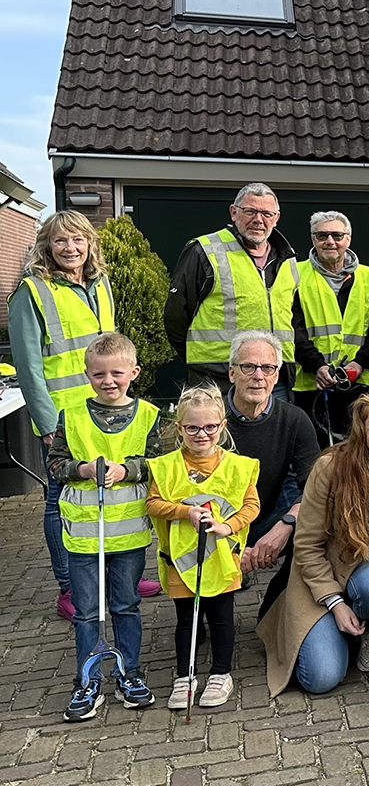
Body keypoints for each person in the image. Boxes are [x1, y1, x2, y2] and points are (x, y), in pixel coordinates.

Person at [8, 209, 161, 619]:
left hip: (107, 412)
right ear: (47, 246)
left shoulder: (101, 284)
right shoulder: (32, 291)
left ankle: (121, 580)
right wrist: (45, 423)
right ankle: (69, 588)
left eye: (77, 239)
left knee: (115, 492)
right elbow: (27, 365)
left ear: (89, 242)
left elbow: (110, 350)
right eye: (60, 241)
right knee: (61, 501)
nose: (70, 248)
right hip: (63, 418)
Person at [257, 389, 369, 697]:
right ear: (362, 429)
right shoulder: (332, 467)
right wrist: (336, 603)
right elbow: (306, 545)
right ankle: (311, 622)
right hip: (327, 575)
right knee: (320, 678)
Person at [48, 333, 163, 721]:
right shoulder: (72, 415)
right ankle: (88, 678)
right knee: (86, 612)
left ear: (134, 372)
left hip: (128, 537)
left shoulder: (148, 415)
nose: (108, 381)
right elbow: (54, 466)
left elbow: (159, 464)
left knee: (125, 606)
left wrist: (126, 469)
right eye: (99, 374)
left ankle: (129, 672)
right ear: (87, 374)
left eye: (117, 373)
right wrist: (80, 470)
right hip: (82, 538)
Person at [147, 386, 261, 710]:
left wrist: (228, 526)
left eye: (210, 427)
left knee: (222, 619)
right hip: (181, 562)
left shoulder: (239, 466)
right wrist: (186, 512)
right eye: (193, 427)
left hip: (223, 559)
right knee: (187, 621)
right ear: (180, 427)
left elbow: (251, 505)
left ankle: (221, 674)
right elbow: (153, 503)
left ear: (222, 426)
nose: (202, 434)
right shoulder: (165, 466)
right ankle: (185, 675)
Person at [218, 332, 321, 621]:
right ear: (232, 372)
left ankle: (274, 609)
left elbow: (315, 488)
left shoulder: (294, 419)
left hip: (266, 522)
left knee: (317, 531)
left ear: (276, 376)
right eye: (248, 367)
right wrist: (229, 541)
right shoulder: (209, 419)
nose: (258, 376)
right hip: (213, 524)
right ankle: (199, 618)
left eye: (268, 368)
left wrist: (286, 525)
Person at [165, 183, 300, 393]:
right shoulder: (204, 251)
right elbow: (176, 317)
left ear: (276, 218)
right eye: (250, 211)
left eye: (266, 213)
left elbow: (293, 320)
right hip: (217, 378)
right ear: (233, 212)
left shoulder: (288, 260)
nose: (258, 219)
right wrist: (199, 359)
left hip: (274, 379)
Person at [291, 210, 369, 446]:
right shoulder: (295, 275)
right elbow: (292, 331)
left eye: (336, 235)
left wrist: (359, 363)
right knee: (315, 457)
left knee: (358, 455)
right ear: (313, 239)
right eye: (322, 235)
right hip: (311, 386)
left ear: (349, 238)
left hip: (358, 384)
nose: (330, 242)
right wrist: (317, 367)